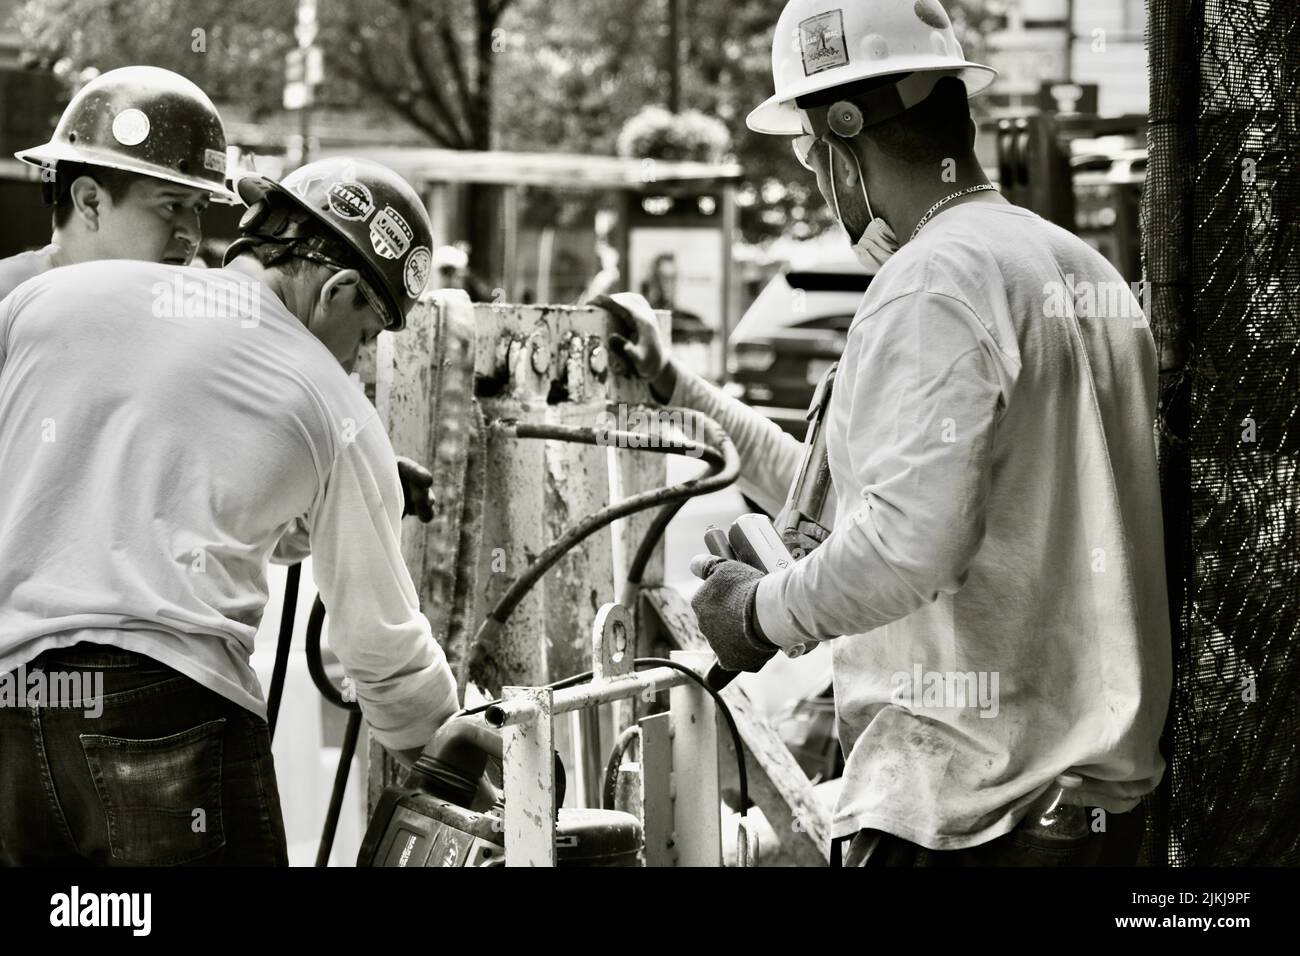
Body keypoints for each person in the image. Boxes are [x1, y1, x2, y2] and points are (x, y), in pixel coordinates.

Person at [598, 0, 1170, 866]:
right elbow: (874, 501)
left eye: (808, 153)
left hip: (975, 813)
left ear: (842, 136)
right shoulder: (1078, 273)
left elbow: (909, 544)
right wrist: (682, 390)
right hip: (1083, 813)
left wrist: (758, 614)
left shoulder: (932, 282)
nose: (819, 181)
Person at [0, 157, 451, 865]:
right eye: (366, 336)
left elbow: (143, 477)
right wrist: (449, 738)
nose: (359, 363)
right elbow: (379, 651)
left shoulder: (50, 302)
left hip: (17, 707)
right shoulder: (337, 410)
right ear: (337, 290)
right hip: (166, 711)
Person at [0, 65, 239, 299]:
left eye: (199, 208)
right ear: (90, 202)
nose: (194, 234)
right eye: (172, 205)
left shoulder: (182, 308)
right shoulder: (9, 302)